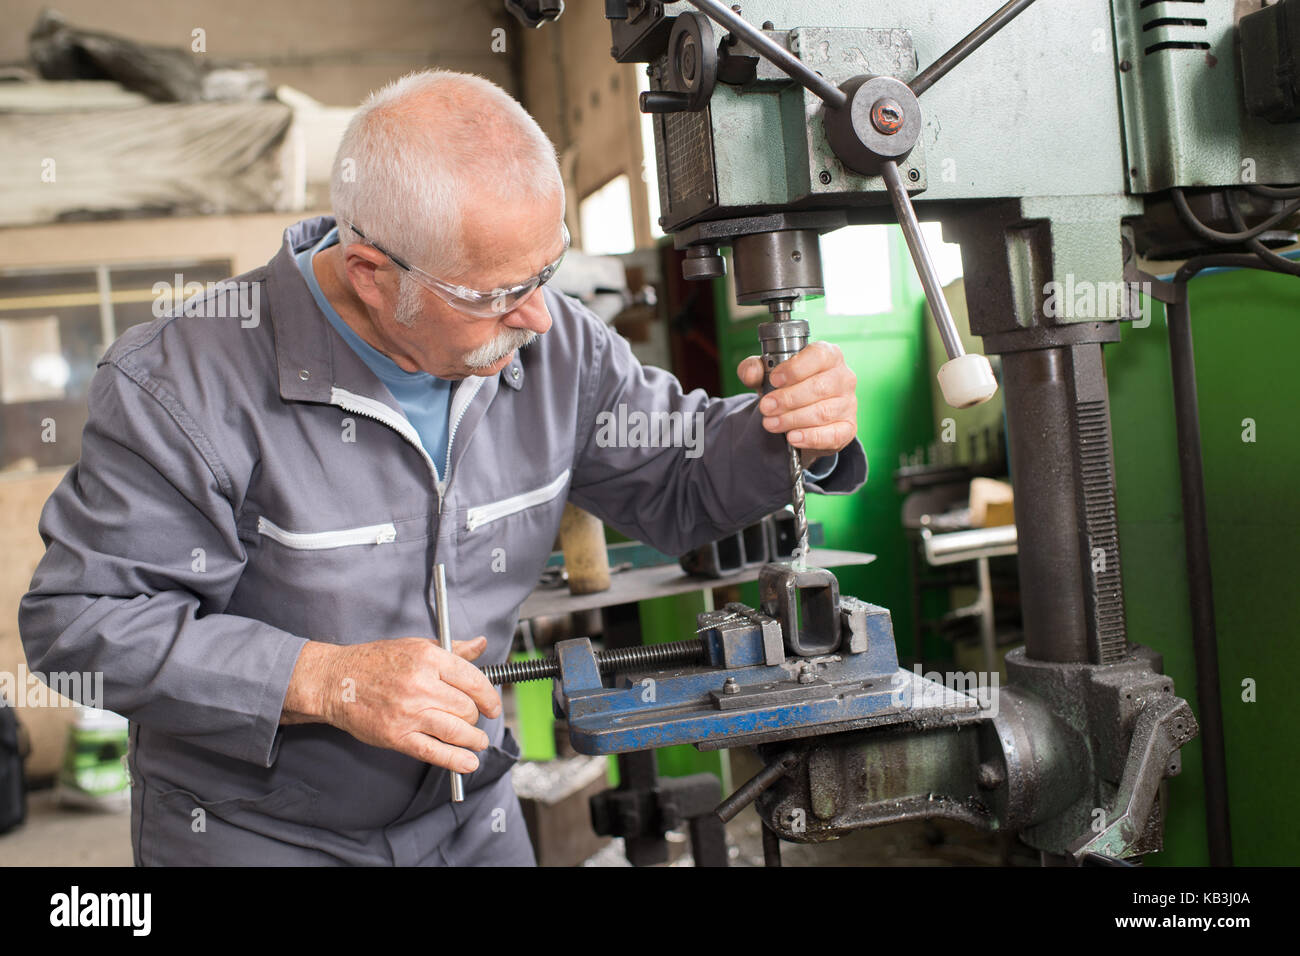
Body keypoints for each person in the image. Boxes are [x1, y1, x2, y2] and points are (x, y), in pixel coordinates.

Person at [19, 70, 865, 865]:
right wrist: (323, 680)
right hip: (257, 834)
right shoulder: (183, 383)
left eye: (548, 269)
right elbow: (82, 626)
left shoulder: (554, 342)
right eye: (496, 294)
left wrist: (790, 431)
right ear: (371, 275)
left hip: (473, 819)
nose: (537, 314)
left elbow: (682, 485)